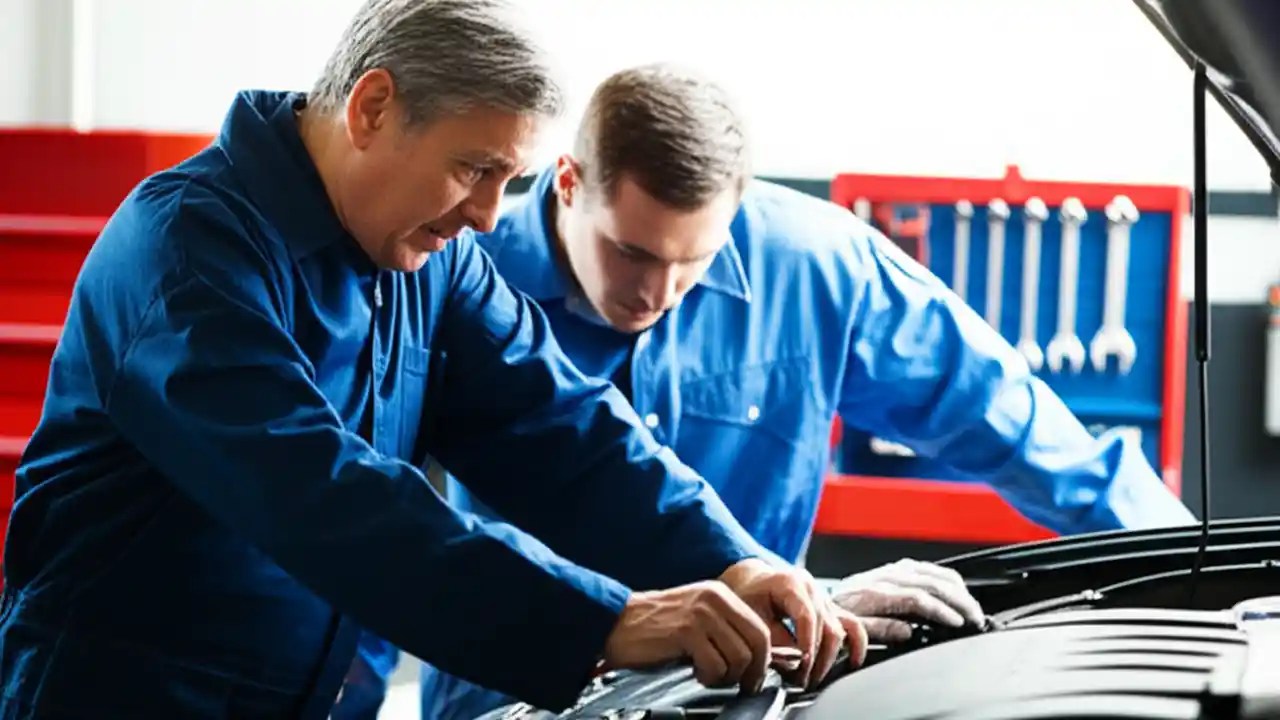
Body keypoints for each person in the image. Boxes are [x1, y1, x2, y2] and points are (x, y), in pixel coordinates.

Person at [0, 5, 869, 717]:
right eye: (475, 169)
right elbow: (318, 493)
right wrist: (606, 619)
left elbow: (559, 424)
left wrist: (732, 560)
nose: (491, 217)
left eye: (509, 178)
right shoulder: (185, 253)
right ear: (373, 108)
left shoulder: (428, 259)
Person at [336, 63, 1198, 719]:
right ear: (569, 183)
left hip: (754, 696)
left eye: (693, 261)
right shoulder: (446, 275)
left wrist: (1197, 585)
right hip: (515, 698)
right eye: (632, 253)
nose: (657, 294)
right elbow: (370, 543)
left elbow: (1029, 438)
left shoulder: (820, 272)